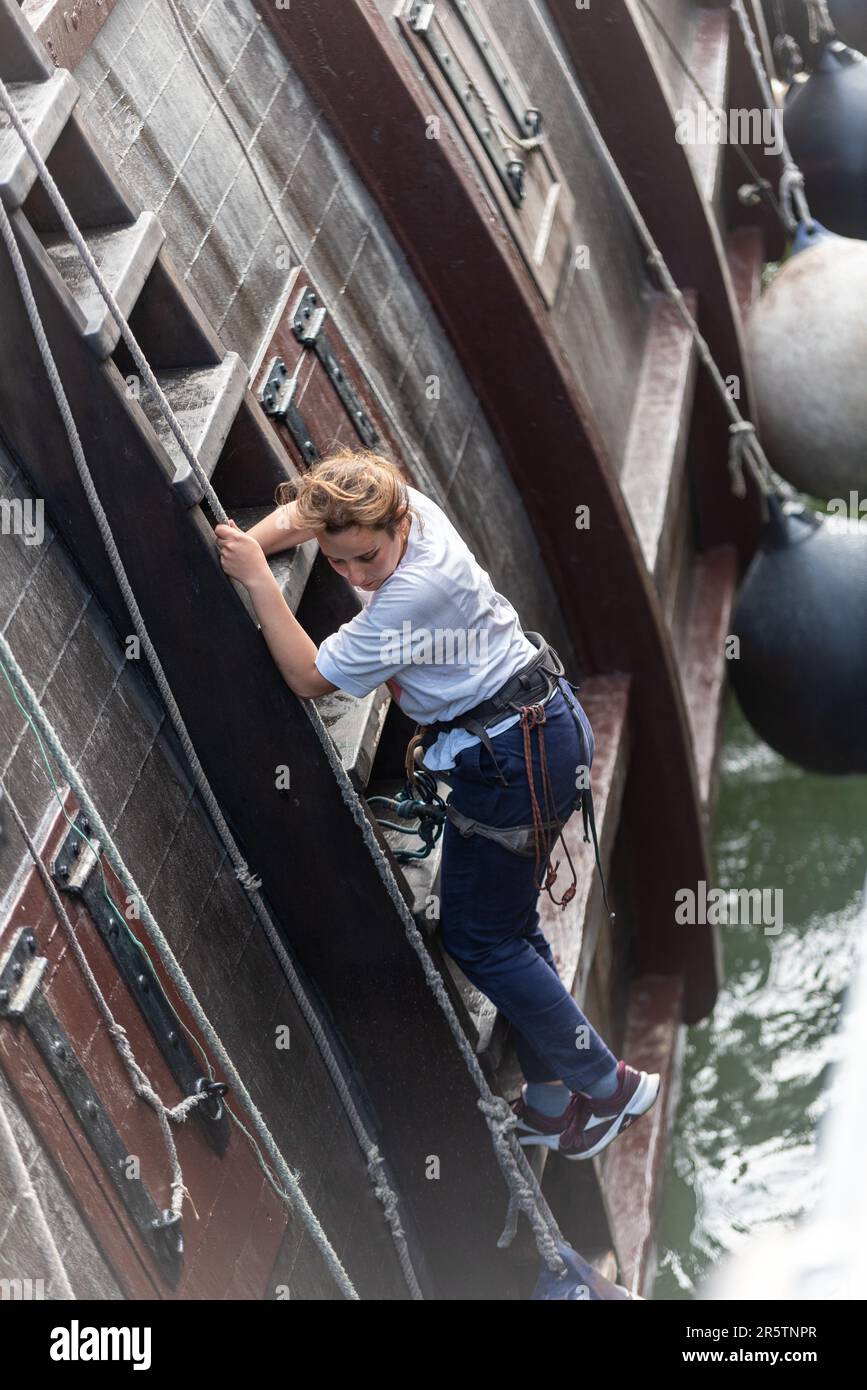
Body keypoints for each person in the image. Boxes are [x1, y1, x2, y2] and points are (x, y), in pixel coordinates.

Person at [215, 449, 659, 1160]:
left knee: (478, 939)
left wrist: (257, 577)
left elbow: (306, 677)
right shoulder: (401, 507)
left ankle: (608, 1089)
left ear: (395, 524)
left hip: (516, 758)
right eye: (338, 564)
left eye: (366, 558)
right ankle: (549, 1103)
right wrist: (255, 538)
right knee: (506, 929)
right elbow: (309, 512)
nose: (357, 576)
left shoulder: (415, 591)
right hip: (534, 730)